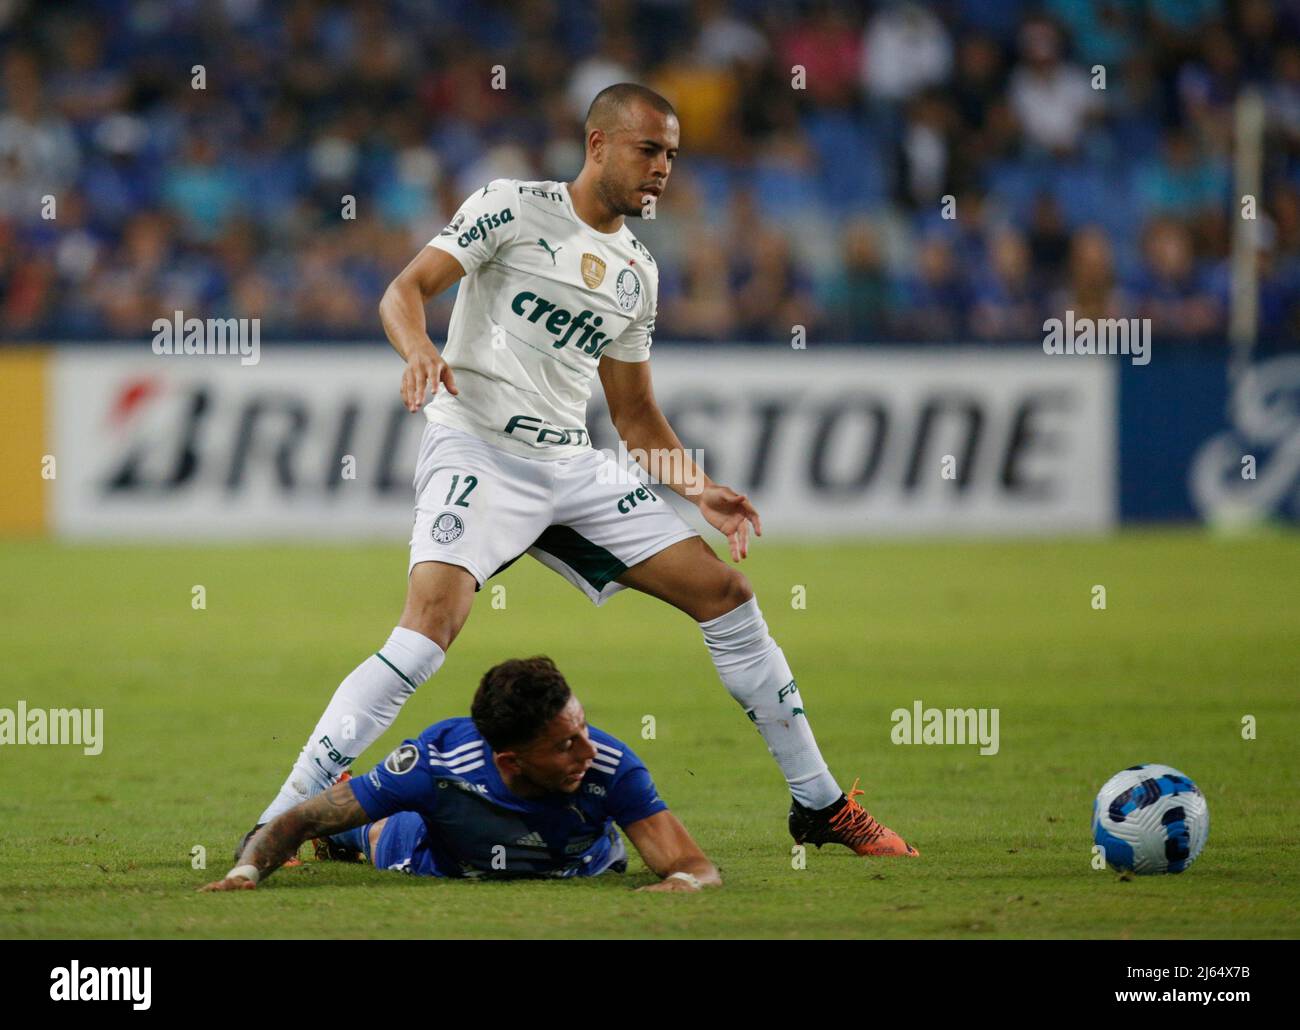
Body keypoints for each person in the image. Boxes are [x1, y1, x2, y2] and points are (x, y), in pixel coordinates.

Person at [238, 82, 917, 864]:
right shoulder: (509, 206)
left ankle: (820, 806)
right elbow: (404, 291)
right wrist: (421, 348)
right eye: (648, 150)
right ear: (598, 145)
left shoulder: (636, 272)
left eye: (671, 155)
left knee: (726, 595)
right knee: (428, 631)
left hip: (568, 464)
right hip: (477, 449)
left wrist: (698, 488)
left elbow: (633, 416)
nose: (662, 169)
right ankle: (282, 818)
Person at [203, 657, 719, 891]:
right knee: (374, 827)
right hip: (436, 859)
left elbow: (695, 866)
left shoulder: (609, 765)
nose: (588, 749)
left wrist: (683, 885)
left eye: (583, 727)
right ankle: (359, 825)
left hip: (580, 864)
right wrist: (244, 874)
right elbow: (300, 820)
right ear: (509, 762)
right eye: (565, 744)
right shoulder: (440, 762)